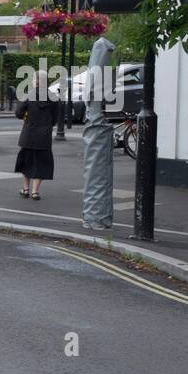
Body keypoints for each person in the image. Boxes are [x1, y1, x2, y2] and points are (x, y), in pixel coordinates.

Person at [81, 36, 116, 229]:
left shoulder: (96, 80)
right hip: (96, 123)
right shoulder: (96, 81)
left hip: (97, 123)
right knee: (97, 170)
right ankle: (96, 218)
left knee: (97, 171)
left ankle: (96, 217)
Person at [14, 91, 56, 200]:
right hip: (44, 137)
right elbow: (55, 118)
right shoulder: (53, 97)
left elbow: (18, 112)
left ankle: (26, 189)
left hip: (29, 135)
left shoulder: (29, 95)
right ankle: (35, 191)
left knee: (26, 163)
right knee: (41, 164)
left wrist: (26, 117)